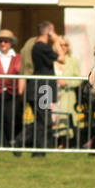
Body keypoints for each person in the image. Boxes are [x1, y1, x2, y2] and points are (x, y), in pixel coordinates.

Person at [26, 21, 58, 153]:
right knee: (44, 120)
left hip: (42, 88)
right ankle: (20, 141)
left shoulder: (39, 46)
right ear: (49, 32)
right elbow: (61, 57)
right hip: (43, 89)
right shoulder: (42, 46)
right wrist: (56, 40)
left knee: (42, 121)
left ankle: (39, 151)